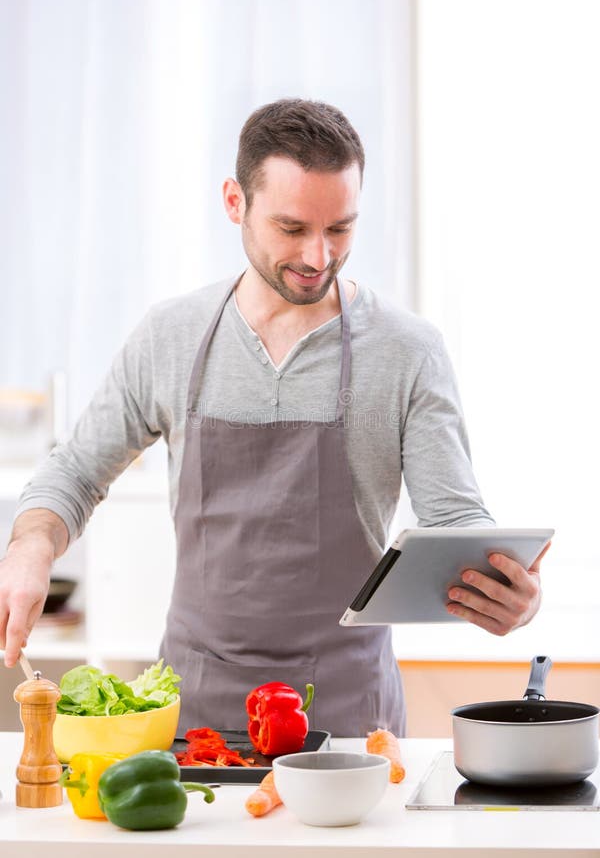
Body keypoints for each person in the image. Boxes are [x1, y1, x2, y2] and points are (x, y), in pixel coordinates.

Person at [0, 98, 548, 736]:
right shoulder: (171, 336)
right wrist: (30, 548)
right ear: (235, 202)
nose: (318, 256)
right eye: (291, 229)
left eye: (340, 228)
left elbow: (455, 520)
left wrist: (509, 590)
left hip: (346, 715)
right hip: (192, 704)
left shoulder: (407, 350)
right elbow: (74, 472)